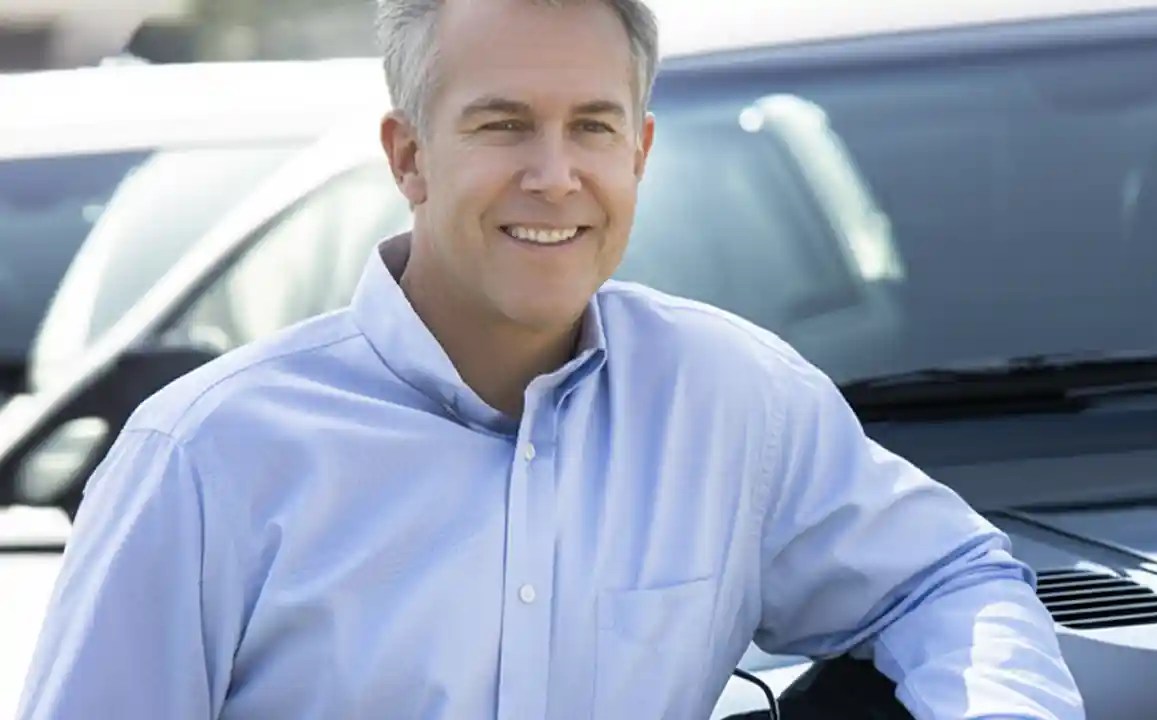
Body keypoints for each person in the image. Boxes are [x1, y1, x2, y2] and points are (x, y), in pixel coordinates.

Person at [18, 1, 1085, 718]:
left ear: (640, 151)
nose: (554, 175)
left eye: (592, 128)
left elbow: (946, 580)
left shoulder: (734, 401)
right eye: (503, 125)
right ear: (408, 156)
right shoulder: (206, 457)